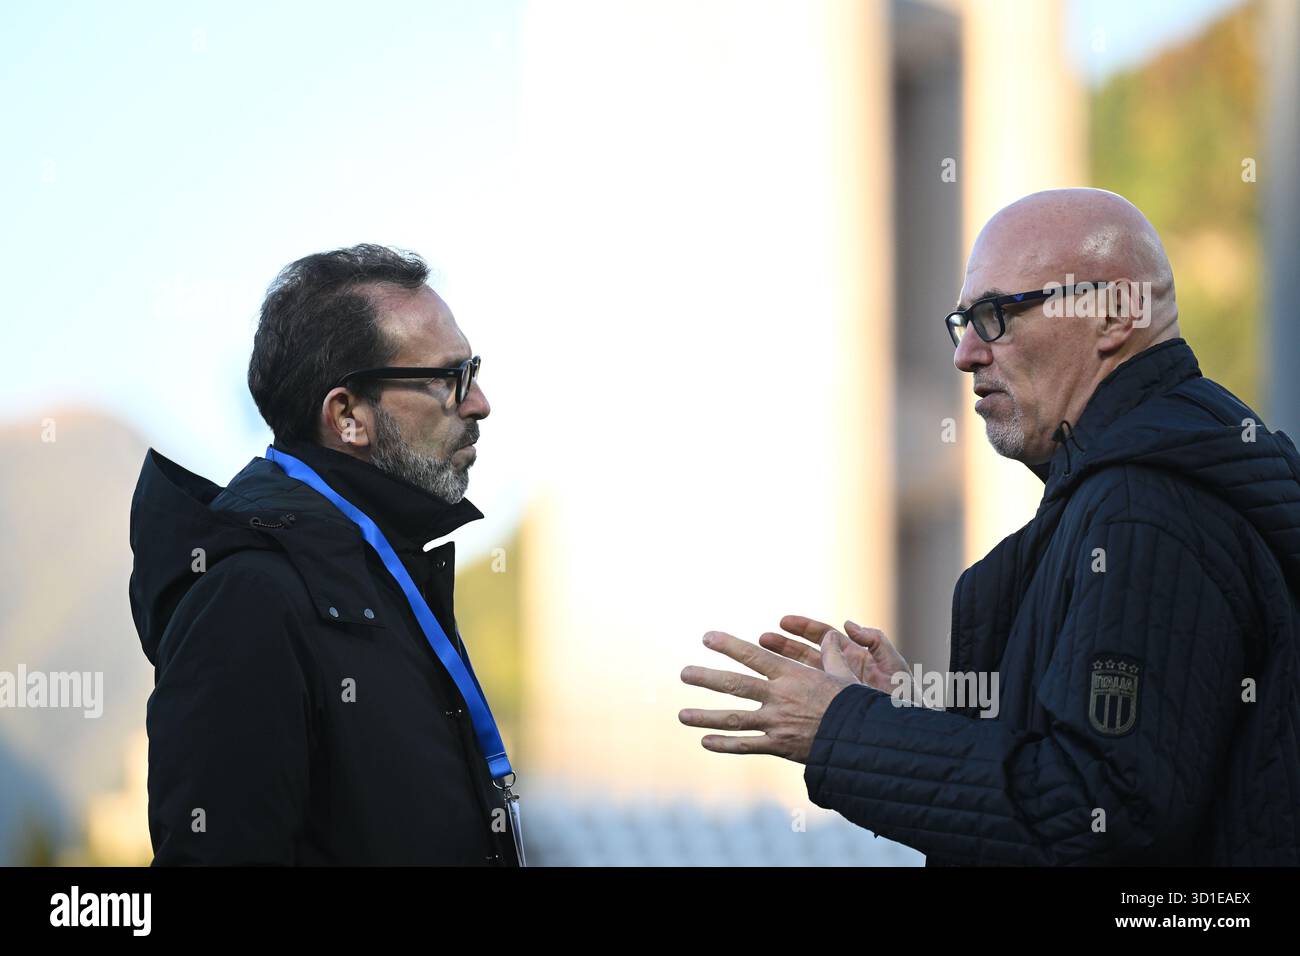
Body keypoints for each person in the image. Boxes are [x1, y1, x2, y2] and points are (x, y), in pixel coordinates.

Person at [680, 188, 1300, 865]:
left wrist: (842, 730)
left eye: (997, 315)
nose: (967, 353)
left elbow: (1097, 813)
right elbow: (1109, 762)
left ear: (1116, 314)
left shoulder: (1143, 505)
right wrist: (905, 713)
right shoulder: (1151, 479)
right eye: (963, 322)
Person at [128, 243, 520, 865]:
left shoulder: (377, 571)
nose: (479, 403)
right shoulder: (249, 596)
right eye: (451, 379)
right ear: (347, 417)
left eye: (471, 371)